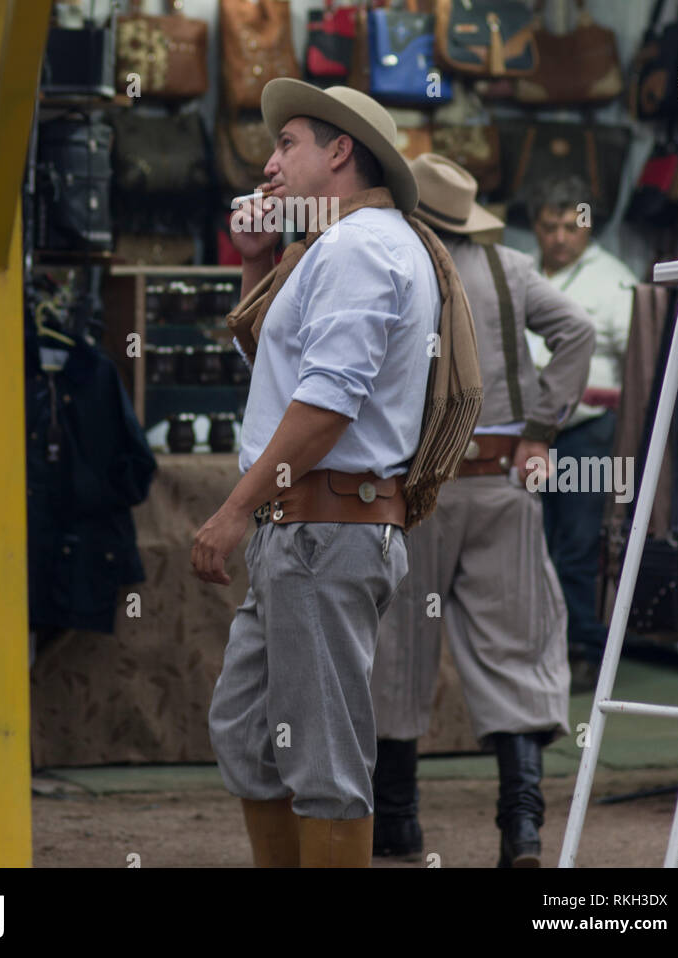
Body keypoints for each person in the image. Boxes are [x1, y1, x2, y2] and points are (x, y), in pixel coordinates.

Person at [192, 84, 482, 869]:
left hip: (322, 527)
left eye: (287, 143)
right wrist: (258, 259)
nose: (269, 160)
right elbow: (295, 383)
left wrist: (232, 511)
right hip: (315, 526)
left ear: (340, 150)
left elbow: (325, 409)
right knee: (250, 737)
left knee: (322, 765)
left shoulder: (357, 247)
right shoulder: (352, 244)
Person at [371, 155, 595, 868]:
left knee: (398, 649)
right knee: (516, 650)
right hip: (503, 482)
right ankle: (520, 830)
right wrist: (540, 429)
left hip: (418, 488)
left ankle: (399, 825)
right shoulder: (511, 268)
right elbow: (579, 333)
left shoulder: (392, 264)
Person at [527, 176, 636, 694]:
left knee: (576, 545)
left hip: (589, 430)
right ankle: (545, 649)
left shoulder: (613, 281)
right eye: (550, 227)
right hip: (530, 432)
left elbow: (638, 361)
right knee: (533, 543)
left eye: (572, 227)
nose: (561, 237)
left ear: (588, 228)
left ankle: (587, 651)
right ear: (536, 228)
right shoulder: (524, 273)